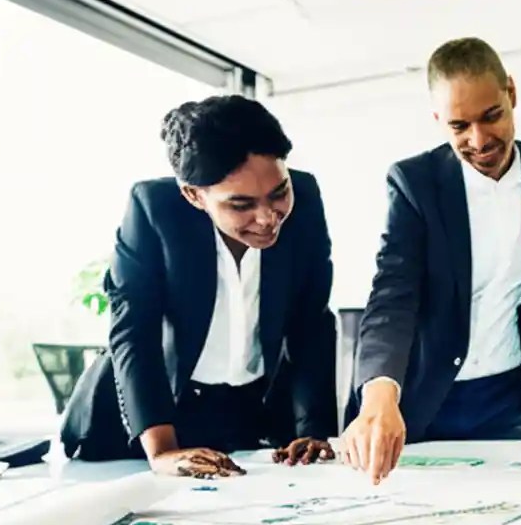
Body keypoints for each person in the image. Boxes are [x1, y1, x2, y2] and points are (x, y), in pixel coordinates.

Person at [60, 95, 338, 477]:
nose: (267, 217)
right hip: (151, 420)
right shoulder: (153, 209)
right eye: (240, 204)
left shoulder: (304, 199)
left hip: (247, 417)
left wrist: (314, 431)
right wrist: (162, 453)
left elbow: (312, 321)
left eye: (278, 193)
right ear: (194, 194)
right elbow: (135, 333)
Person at [341, 38, 521, 485]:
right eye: (459, 126)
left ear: (512, 93)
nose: (479, 141)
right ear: (437, 120)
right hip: (424, 404)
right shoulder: (415, 182)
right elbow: (392, 294)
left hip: (509, 400)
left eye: (492, 116)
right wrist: (379, 397)